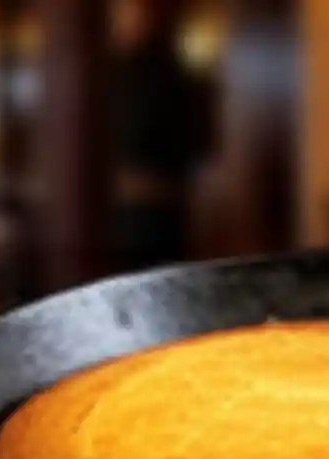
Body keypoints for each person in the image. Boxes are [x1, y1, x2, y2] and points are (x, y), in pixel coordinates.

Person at [110, 0, 211, 271]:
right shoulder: (107, 75)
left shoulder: (171, 77)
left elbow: (193, 150)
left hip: (157, 218)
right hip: (114, 222)